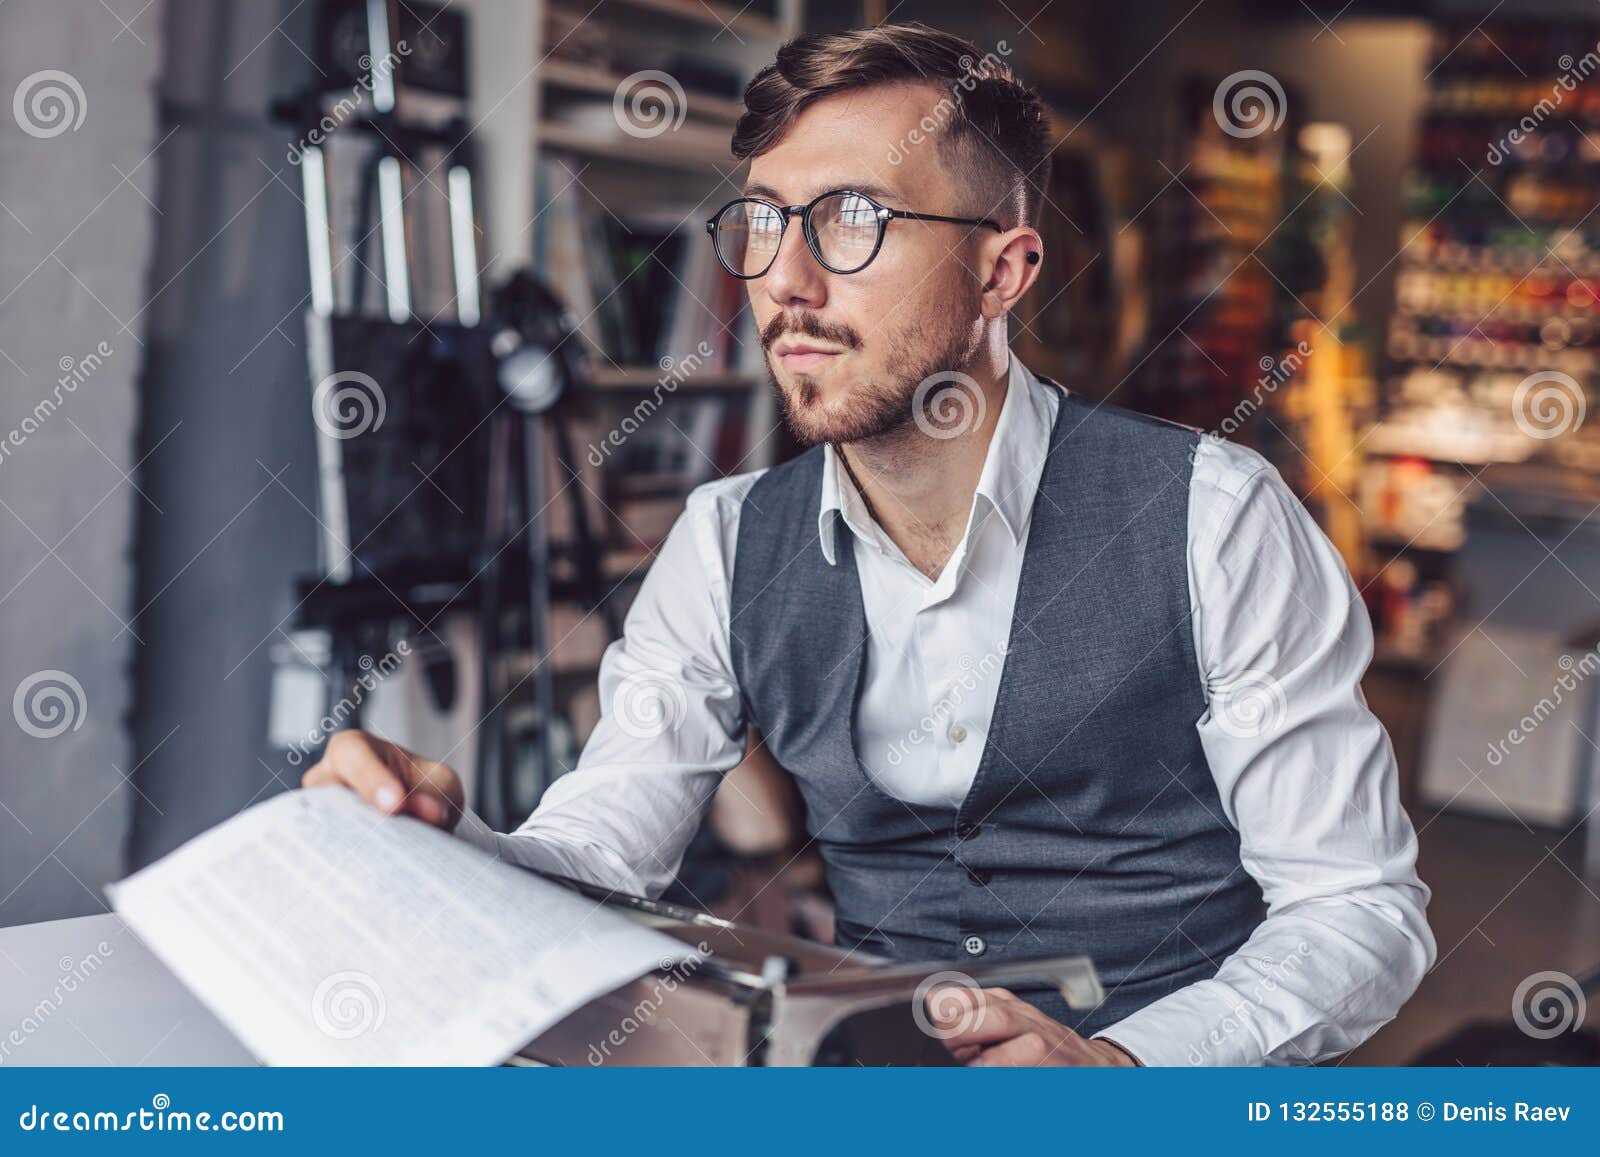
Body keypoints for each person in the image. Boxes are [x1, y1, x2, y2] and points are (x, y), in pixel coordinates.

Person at [304, 23, 1433, 1067]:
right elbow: (602, 855)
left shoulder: (1210, 516)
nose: (784, 282)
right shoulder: (725, 540)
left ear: (1002, 269)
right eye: (761, 223)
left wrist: (1127, 1065)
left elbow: (1356, 907)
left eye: (854, 221)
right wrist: (450, 843)